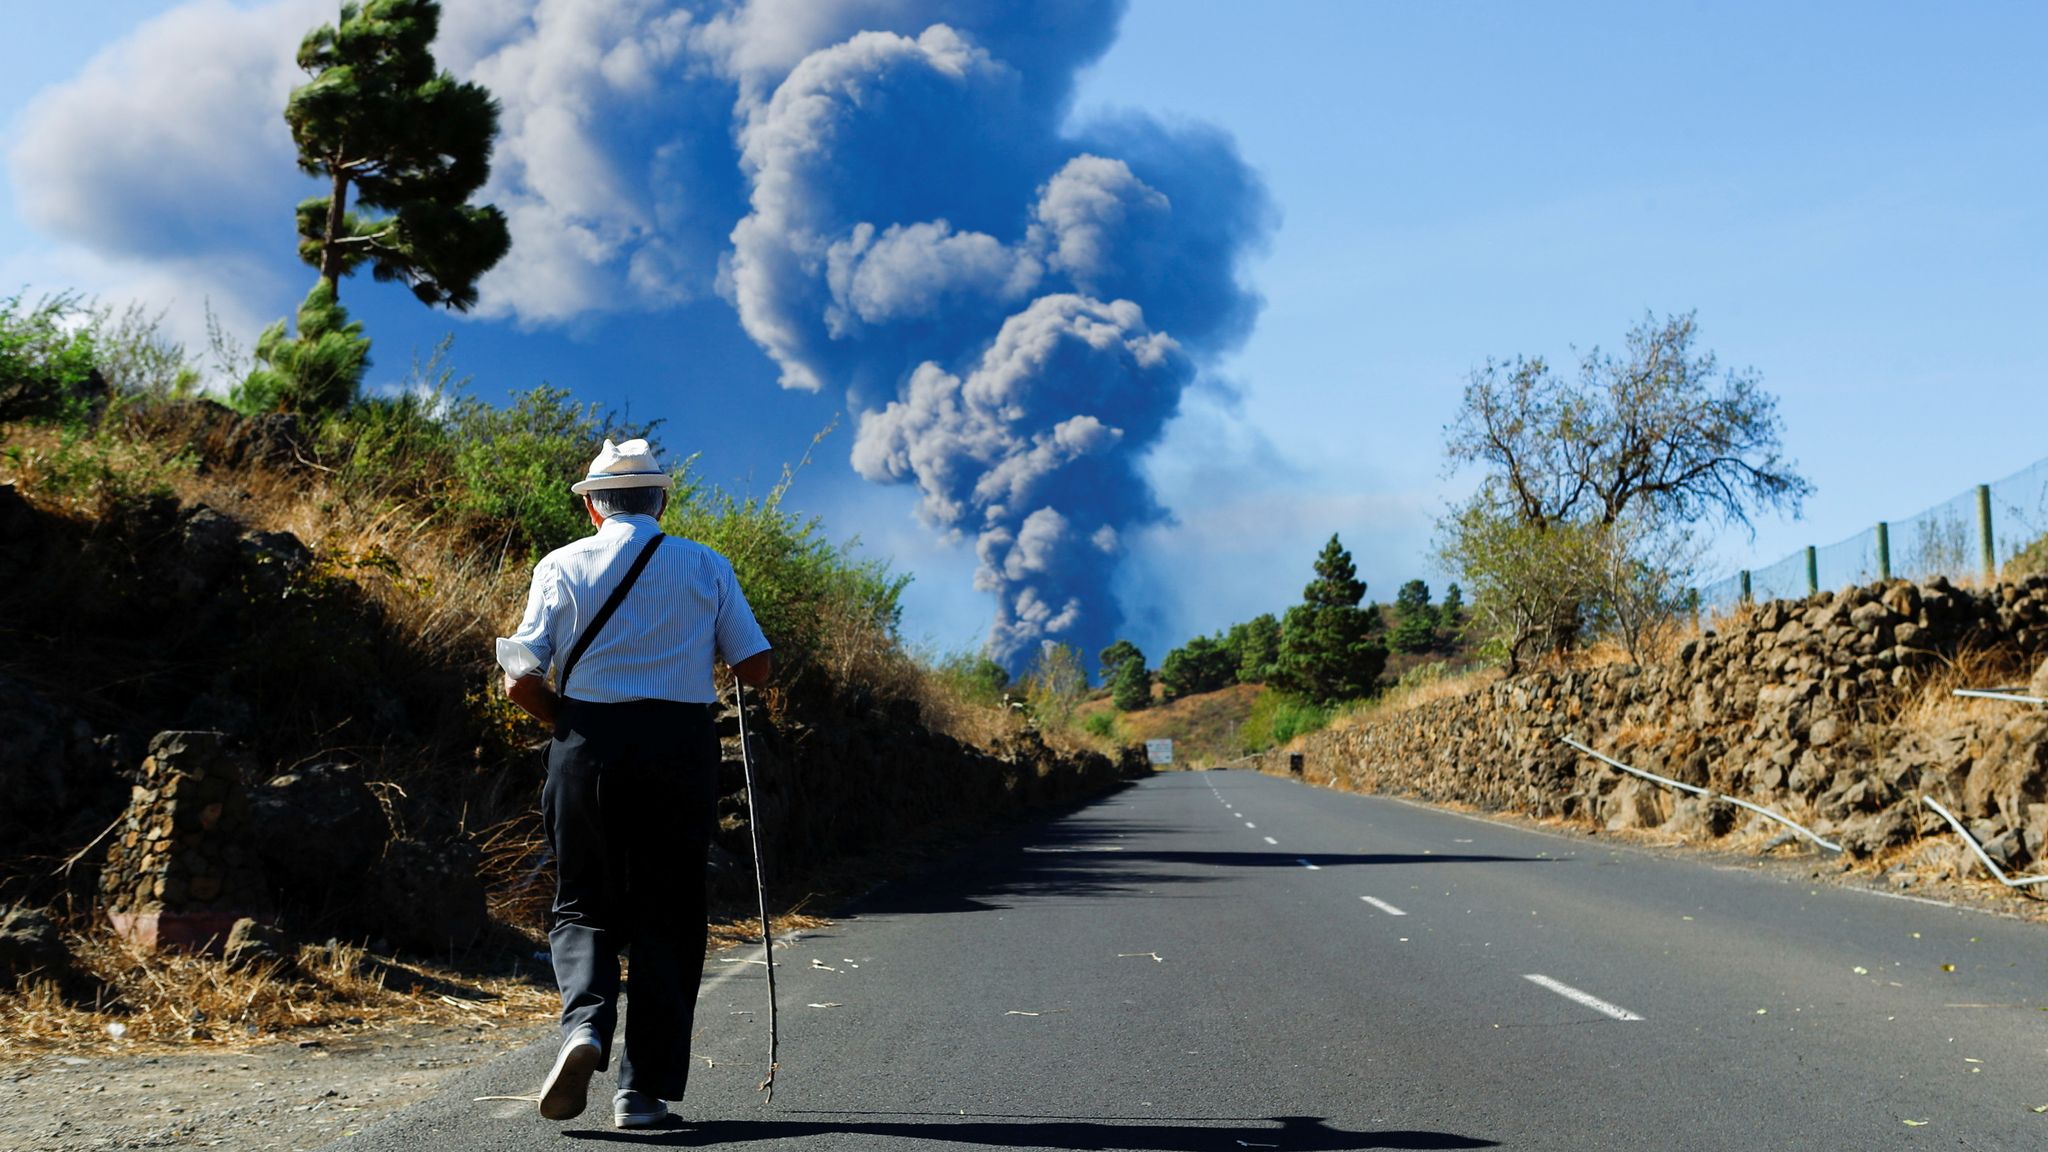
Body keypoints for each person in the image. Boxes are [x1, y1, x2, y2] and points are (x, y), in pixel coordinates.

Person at [495, 437, 772, 1129]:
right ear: (661, 501)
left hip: (585, 746)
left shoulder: (560, 565)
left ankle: (585, 1029)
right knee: (669, 915)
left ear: (592, 506)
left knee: (582, 901)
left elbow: (518, 680)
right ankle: (639, 1094)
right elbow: (756, 667)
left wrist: (574, 724)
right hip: (679, 748)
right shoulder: (706, 565)